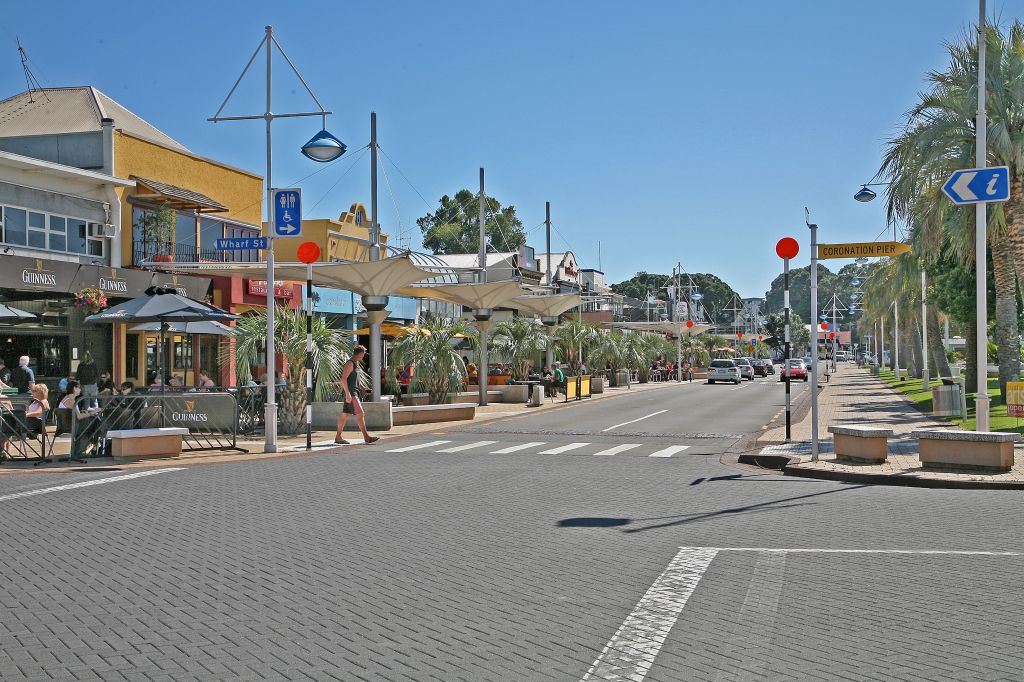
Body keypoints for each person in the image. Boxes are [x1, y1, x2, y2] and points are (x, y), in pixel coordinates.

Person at [334, 345, 379, 445]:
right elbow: (343, 379)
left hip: (354, 392)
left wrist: (361, 387)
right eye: (363, 353)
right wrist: (348, 394)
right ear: (359, 353)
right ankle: (366, 437)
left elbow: (353, 379)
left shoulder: (355, 363)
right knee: (361, 414)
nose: (364, 355)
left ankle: (338, 437)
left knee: (345, 415)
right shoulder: (350, 364)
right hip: (351, 394)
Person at [59, 380, 102, 457]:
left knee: (93, 421)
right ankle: (95, 444)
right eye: (79, 388)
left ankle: (92, 445)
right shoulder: (71, 400)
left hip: (68, 424)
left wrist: (85, 413)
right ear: (74, 388)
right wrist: (91, 413)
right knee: (95, 421)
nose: (80, 390)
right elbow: (78, 416)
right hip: (71, 426)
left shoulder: (66, 398)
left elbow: (76, 415)